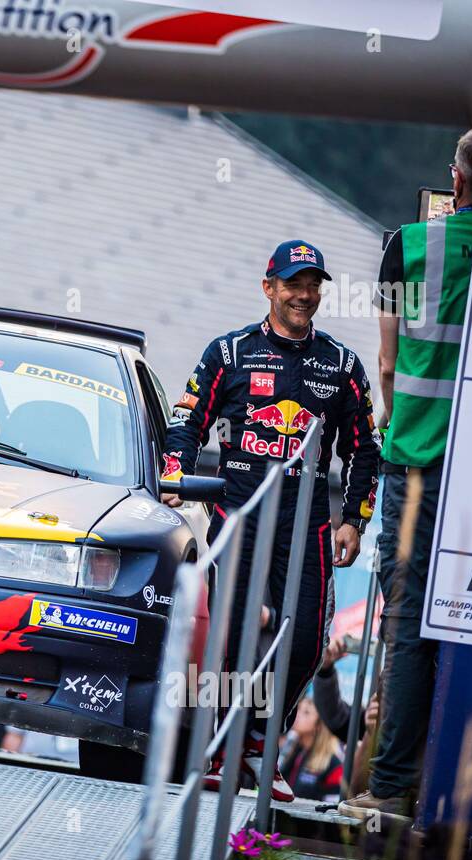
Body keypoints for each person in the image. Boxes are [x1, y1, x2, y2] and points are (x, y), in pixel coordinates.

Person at [162, 238, 380, 802]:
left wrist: (354, 517)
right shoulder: (229, 353)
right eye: (293, 284)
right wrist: (175, 474)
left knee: (306, 640)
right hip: (239, 517)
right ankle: (222, 744)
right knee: (233, 637)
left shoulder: (342, 364)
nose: (304, 295)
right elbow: (187, 419)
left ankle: (264, 742)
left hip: (308, 526)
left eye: (313, 285)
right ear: (269, 288)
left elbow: (365, 449)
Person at [341, 127, 472, 823]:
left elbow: (390, 362)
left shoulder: (408, 246)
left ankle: (392, 784)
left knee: (406, 623)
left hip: (415, 468)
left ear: (455, 181)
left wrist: (399, 428)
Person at [279, 698, 344, 803]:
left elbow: (332, 809)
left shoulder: (333, 764)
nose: (297, 714)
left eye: (306, 712)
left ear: (318, 725)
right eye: (298, 709)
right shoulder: (294, 750)